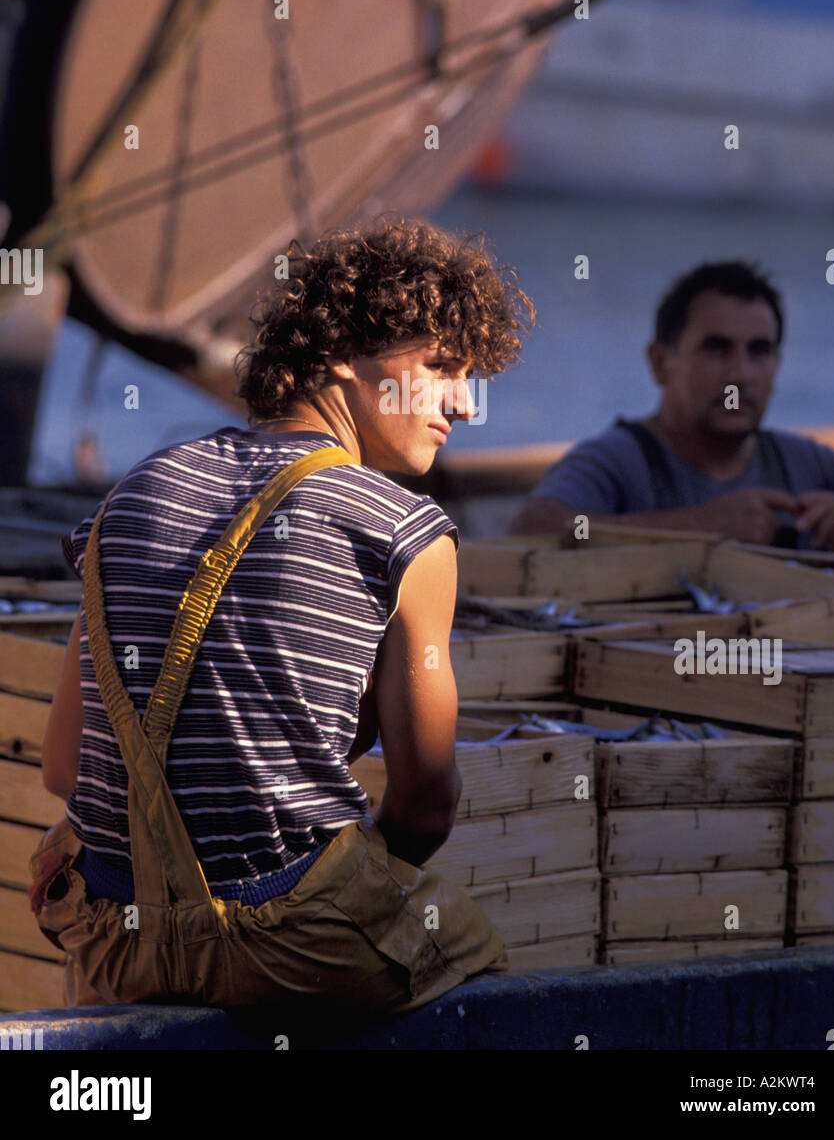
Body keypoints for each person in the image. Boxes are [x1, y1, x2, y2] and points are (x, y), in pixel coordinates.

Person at [34, 216, 535, 1015]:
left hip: (111, 934)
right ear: (339, 353)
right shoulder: (401, 530)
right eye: (440, 369)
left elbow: (63, 771)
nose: (464, 406)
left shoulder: (128, 495)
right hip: (292, 947)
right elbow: (425, 804)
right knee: (484, 968)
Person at [508, 260, 834, 552]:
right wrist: (700, 526)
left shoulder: (811, 463)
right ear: (661, 362)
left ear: (777, 365)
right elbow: (529, 532)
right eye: (717, 349)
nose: (739, 375)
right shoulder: (615, 461)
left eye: (758, 351)